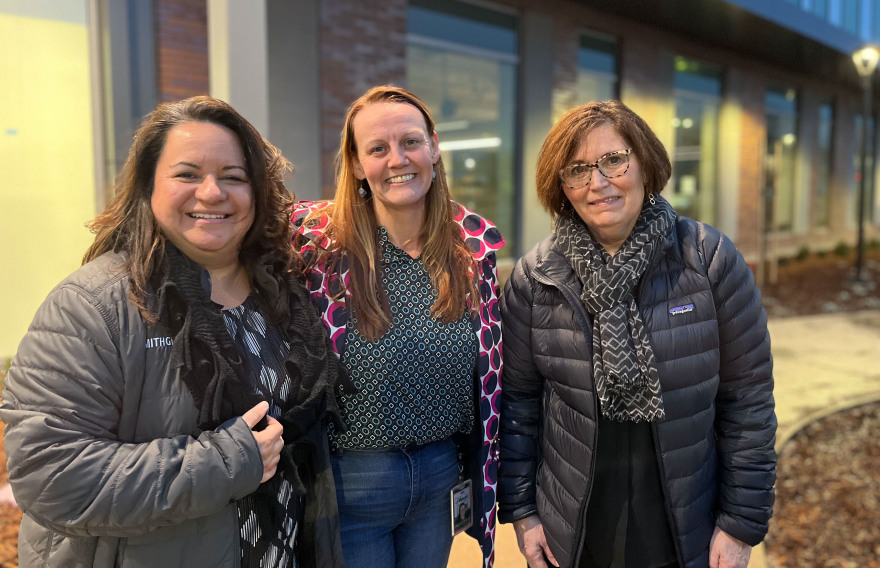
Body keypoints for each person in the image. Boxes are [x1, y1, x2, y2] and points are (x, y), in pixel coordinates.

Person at [0, 96, 346, 567]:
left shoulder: (281, 294)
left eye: (233, 176)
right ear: (147, 187)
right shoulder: (93, 306)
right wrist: (228, 461)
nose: (212, 192)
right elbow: (54, 477)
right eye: (187, 174)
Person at [497, 100, 776, 568]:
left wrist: (740, 524)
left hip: (684, 527)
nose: (598, 182)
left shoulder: (708, 261)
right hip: (576, 532)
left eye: (613, 159)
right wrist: (523, 513)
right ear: (561, 187)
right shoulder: (535, 278)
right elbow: (518, 404)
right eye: (577, 169)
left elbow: (747, 401)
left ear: (644, 162)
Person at [292, 85, 504, 568]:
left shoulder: (470, 253)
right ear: (355, 163)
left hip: (439, 478)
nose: (397, 159)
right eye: (377, 148)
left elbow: (489, 378)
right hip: (354, 481)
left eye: (410, 142)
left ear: (433, 147)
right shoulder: (317, 248)